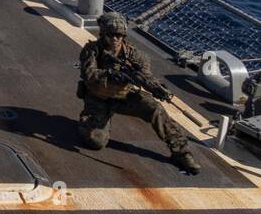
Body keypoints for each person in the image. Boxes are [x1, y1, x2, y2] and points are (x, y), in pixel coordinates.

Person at [77, 12, 200, 174]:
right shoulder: (92, 51)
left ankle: (182, 153)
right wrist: (108, 74)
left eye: (119, 35)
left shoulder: (135, 56)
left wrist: (158, 88)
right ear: (102, 34)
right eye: (110, 35)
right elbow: (89, 75)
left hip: (124, 97)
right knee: (95, 142)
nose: (115, 39)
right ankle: (90, 123)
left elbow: (146, 77)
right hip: (98, 97)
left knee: (155, 108)